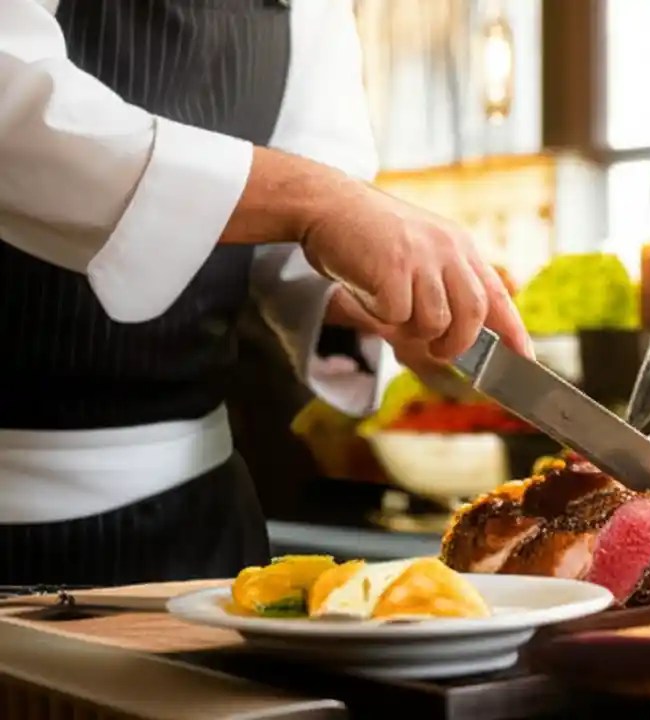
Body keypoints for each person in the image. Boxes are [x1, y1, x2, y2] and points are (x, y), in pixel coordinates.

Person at [0, 0, 531, 586]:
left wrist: (362, 300)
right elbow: (14, 106)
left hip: (200, 530)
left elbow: (306, 207)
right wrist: (319, 201)